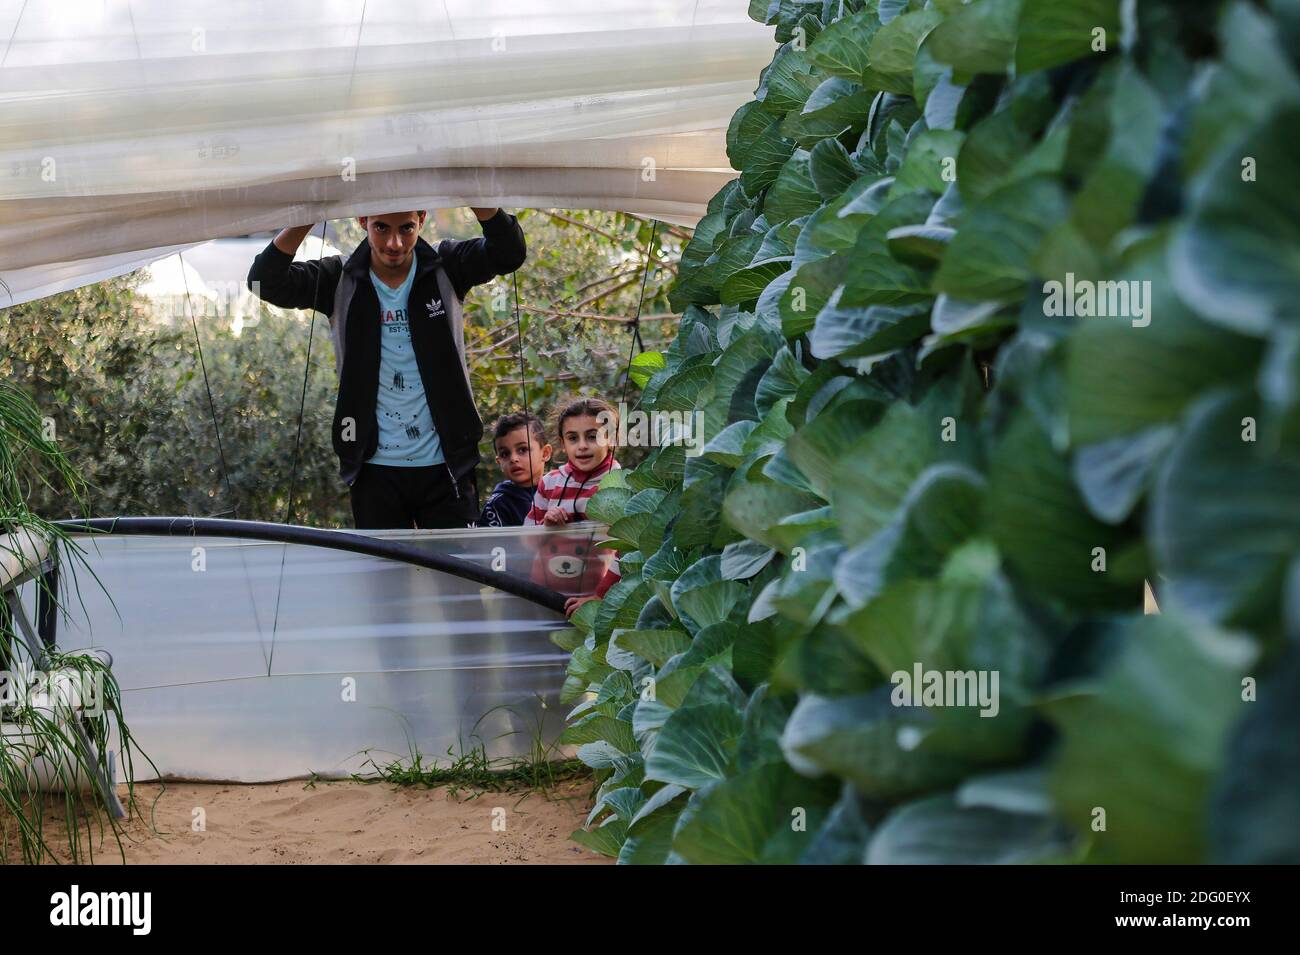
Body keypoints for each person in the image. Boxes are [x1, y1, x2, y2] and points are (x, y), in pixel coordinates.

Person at [246, 208, 526, 529]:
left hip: (446, 464)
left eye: (406, 228)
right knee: (384, 577)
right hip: (373, 469)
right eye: (381, 228)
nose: (394, 243)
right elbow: (261, 282)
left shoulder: (446, 265)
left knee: (455, 576)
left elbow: (510, 253)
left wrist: (471, 191)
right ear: (362, 221)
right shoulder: (340, 277)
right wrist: (310, 213)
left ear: (422, 219)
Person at [524, 396, 623, 617]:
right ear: (562, 443)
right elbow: (527, 543)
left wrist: (601, 597)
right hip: (543, 599)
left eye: (592, 436)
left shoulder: (619, 484)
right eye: (573, 438)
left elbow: (627, 550)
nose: (582, 446)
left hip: (595, 605)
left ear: (612, 438)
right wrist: (547, 526)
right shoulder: (549, 483)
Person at [479, 412, 551, 527]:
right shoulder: (497, 505)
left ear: (545, 453)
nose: (513, 459)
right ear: (499, 462)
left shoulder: (560, 489)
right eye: (505, 454)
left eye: (522, 449)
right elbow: (492, 544)